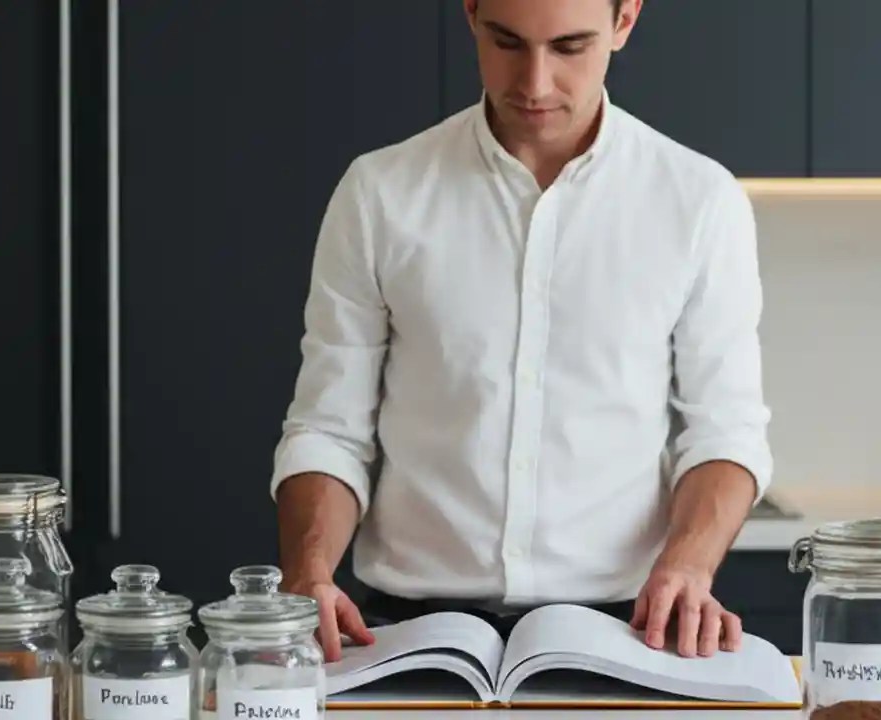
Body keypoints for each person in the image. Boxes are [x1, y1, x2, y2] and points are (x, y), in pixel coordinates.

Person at [272, 0, 773, 665]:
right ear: (471, 13)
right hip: (403, 631)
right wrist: (309, 573)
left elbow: (724, 431)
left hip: (628, 628)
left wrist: (688, 564)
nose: (534, 84)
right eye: (507, 42)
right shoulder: (379, 192)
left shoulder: (700, 200)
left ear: (625, 21)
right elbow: (329, 430)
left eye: (569, 47)